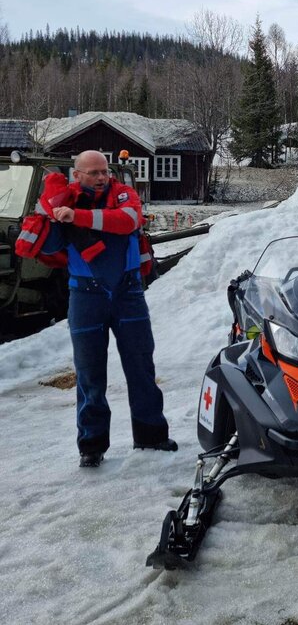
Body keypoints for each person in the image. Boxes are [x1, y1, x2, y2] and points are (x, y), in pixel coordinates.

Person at [40, 150, 176, 468]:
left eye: (105, 171)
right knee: (89, 374)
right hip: (86, 296)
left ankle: (151, 434)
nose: (103, 177)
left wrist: (77, 217)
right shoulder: (63, 200)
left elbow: (128, 220)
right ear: (78, 176)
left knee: (141, 365)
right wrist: (51, 211)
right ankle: (91, 445)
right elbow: (48, 245)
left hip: (128, 293)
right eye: (94, 173)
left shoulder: (122, 193)